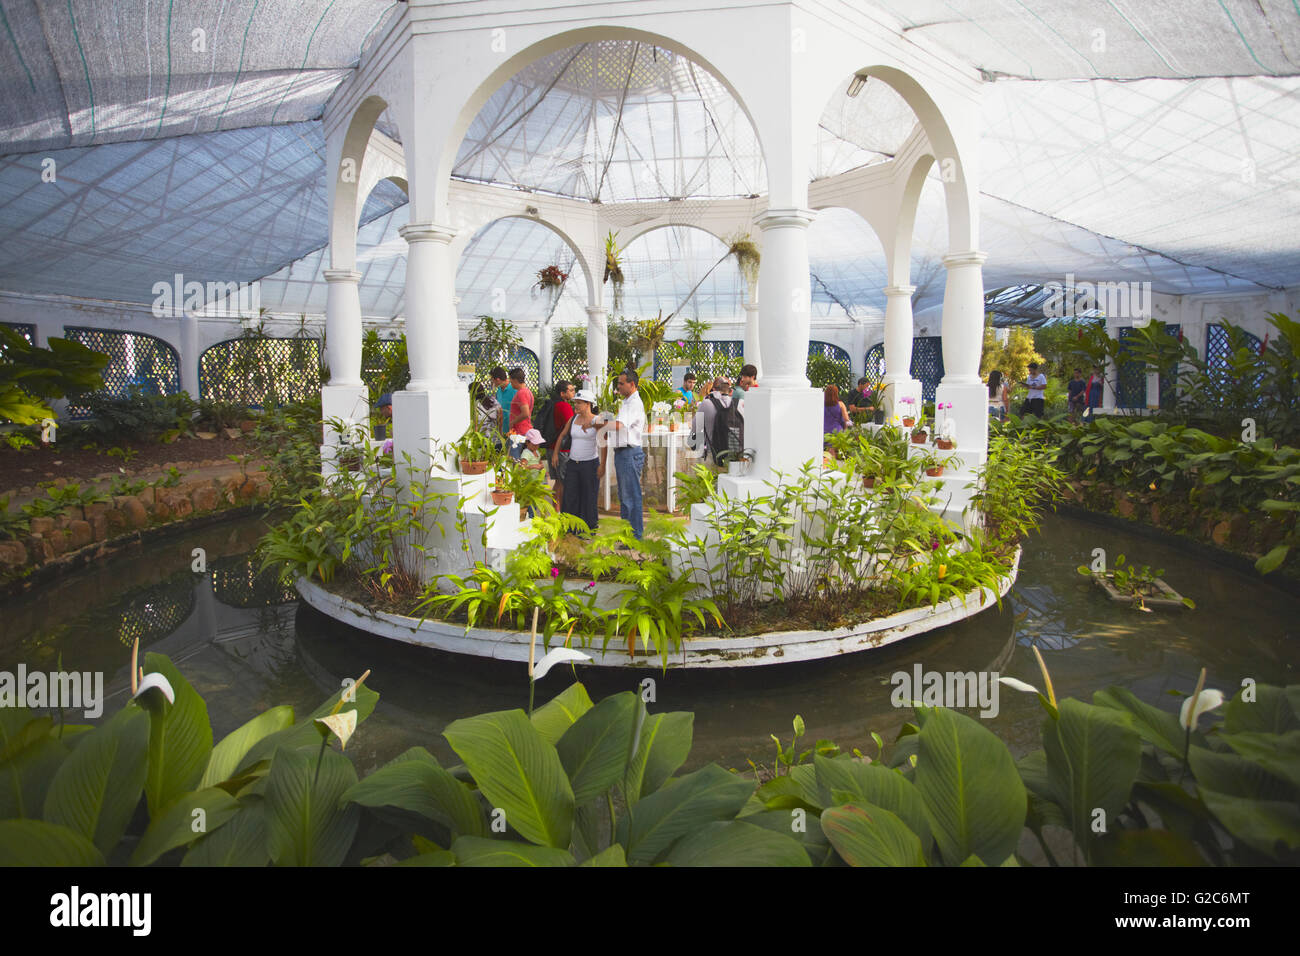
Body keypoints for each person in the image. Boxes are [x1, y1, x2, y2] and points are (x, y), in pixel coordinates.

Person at [599, 368, 646, 540]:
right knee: (625, 497)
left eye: (621, 383)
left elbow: (618, 425)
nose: (618, 387)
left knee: (630, 497)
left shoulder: (634, 403)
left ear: (632, 384)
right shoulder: (627, 402)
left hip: (629, 453)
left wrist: (597, 423)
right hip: (624, 454)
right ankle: (628, 536)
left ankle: (634, 537)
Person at [555, 389, 601, 533]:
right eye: (575, 403)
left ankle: (588, 526)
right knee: (570, 495)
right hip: (573, 463)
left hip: (590, 464)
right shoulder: (573, 419)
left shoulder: (596, 420)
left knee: (588, 495)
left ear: (588, 404)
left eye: (579, 403)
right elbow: (562, 435)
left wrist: (603, 464)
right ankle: (570, 527)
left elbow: (604, 441)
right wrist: (555, 453)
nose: (575, 406)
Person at [548, 380, 576, 509]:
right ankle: (564, 510)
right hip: (561, 450)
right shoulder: (564, 406)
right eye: (571, 390)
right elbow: (571, 427)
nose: (573, 392)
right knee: (565, 482)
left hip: (552, 447)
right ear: (562, 393)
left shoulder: (553, 404)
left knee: (558, 482)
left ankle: (556, 511)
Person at [692, 376, 731, 465]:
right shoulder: (736, 403)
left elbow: (695, 429)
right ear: (729, 390)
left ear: (713, 389)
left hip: (712, 453)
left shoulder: (706, 403)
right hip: (733, 455)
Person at [507, 367, 533, 459]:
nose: (510, 383)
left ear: (515, 380)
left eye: (511, 380)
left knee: (515, 460)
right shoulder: (527, 392)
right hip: (524, 429)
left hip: (519, 432)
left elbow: (525, 413)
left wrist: (512, 422)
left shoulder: (521, 393)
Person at [490, 367, 515, 436]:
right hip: (502, 430)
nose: (493, 383)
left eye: (493, 381)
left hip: (513, 431)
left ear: (497, 380)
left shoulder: (514, 389)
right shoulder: (499, 391)